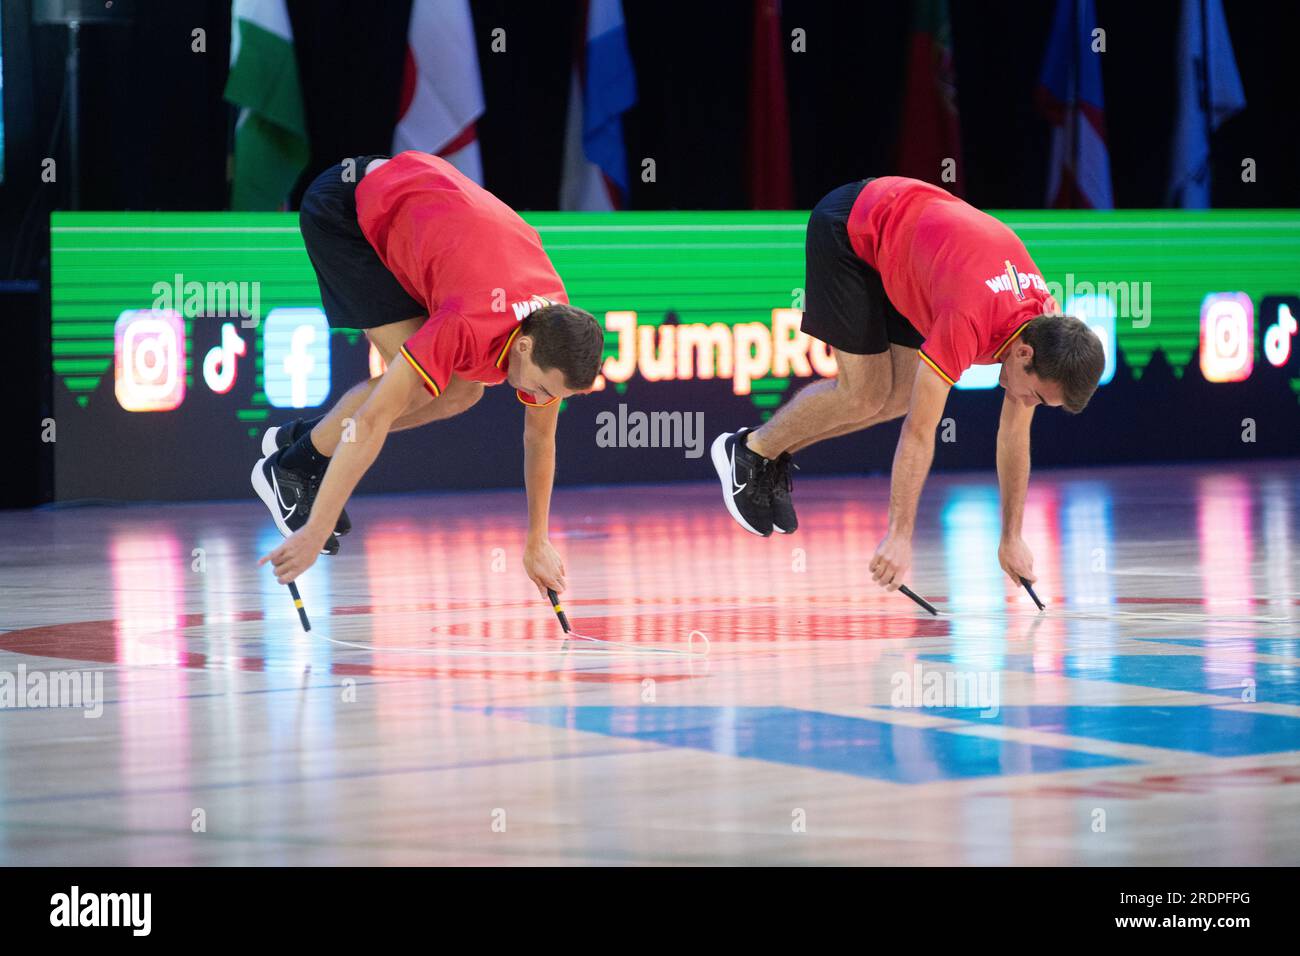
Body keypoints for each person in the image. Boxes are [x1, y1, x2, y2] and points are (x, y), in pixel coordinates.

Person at [710, 176, 1105, 591]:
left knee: (897, 397)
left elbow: (1012, 435)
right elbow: (920, 433)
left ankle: (768, 455)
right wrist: (899, 536)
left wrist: (1011, 538)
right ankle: (749, 451)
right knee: (863, 394)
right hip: (851, 228)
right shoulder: (969, 319)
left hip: (912, 252)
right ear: (1024, 355)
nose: (1030, 403)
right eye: (1038, 396)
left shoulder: (1041, 325)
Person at [253, 151, 603, 591]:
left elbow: (540, 436)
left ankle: (304, 441)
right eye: (542, 386)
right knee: (425, 391)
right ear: (525, 345)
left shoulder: (553, 329)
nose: (542, 398)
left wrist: (537, 540)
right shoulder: (467, 323)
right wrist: (314, 532)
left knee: (463, 392)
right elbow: (373, 419)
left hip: (419, 207)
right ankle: (294, 465)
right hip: (348, 210)